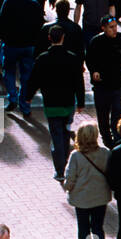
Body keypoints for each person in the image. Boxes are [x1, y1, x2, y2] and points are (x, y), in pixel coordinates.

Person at [25, 23, 84, 180]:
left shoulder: (42, 59)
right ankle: (65, 159)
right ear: (63, 38)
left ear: (49, 38)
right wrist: (81, 102)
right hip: (68, 102)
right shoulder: (72, 58)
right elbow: (79, 82)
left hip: (51, 103)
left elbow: (34, 80)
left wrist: (28, 96)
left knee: (56, 134)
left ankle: (60, 169)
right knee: (65, 131)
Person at [62, 123, 111, 239]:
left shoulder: (76, 156)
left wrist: (66, 187)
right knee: (97, 227)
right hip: (100, 197)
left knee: (83, 228)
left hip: (81, 199)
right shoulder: (105, 152)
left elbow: (70, 179)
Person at [85, 14, 121, 146]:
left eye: (115, 27)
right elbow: (89, 59)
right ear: (103, 28)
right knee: (102, 117)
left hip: (119, 86)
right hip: (102, 87)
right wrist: (94, 71)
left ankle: (118, 140)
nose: (114, 30)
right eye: (110, 27)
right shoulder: (96, 42)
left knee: (118, 116)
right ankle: (107, 141)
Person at [0, 0, 40, 115]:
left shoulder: (7, 3)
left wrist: (1, 37)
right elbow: (39, 24)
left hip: (11, 45)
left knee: (8, 72)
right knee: (26, 75)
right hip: (28, 45)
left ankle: (12, 97)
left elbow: (1, 22)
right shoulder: (34, 4)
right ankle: (24, 104)